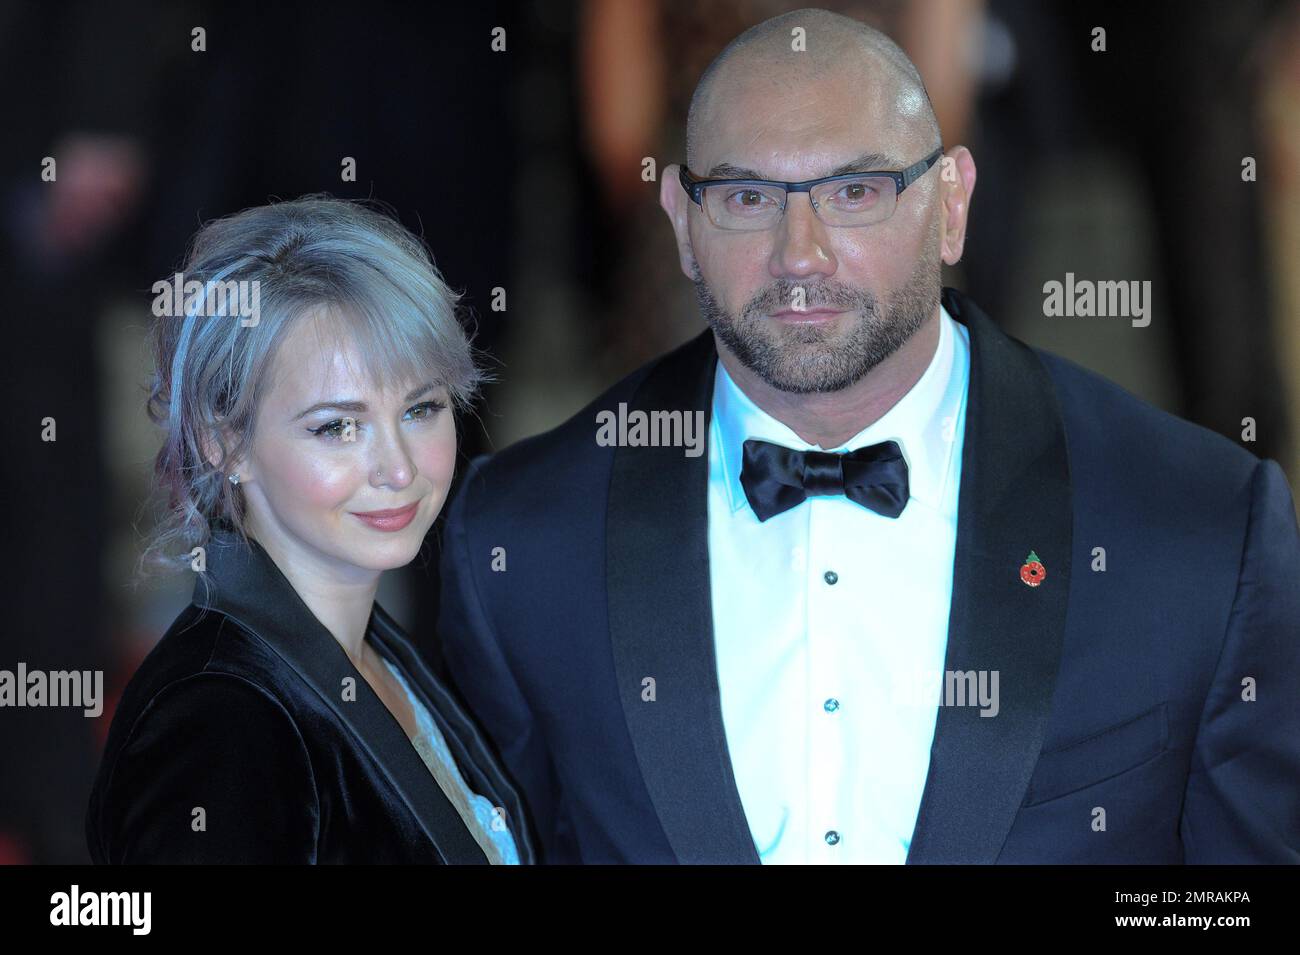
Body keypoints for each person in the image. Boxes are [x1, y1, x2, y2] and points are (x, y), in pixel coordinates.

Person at [437, 9, 1300, 863]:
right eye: (746, 196)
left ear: (952, 203)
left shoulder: (1202, 528)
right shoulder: (518, 545)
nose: (800, 253)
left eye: (856, 191)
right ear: (682, 222)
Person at [86, 195, 533, 864]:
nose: (398, 467)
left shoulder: (373, 651)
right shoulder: (217, 717)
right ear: (224, 442)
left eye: (421, 408)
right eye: (336, 426)